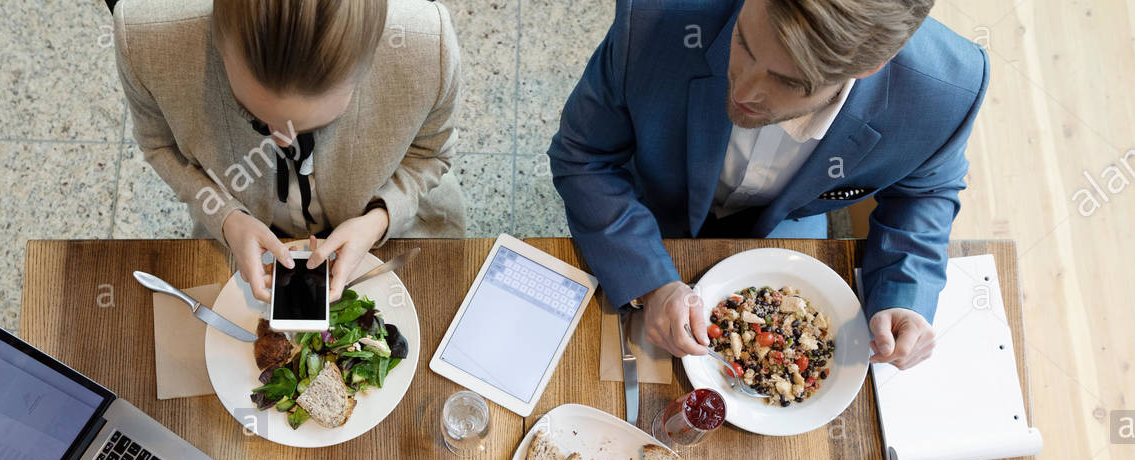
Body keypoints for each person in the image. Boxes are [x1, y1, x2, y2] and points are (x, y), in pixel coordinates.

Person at [548, 0, 990, 368]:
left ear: (871, 66)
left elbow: (925, 189)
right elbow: (584, 155)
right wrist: (648, 281)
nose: (743, 89)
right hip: (647, 202)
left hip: (788, 228)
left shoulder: (947, 93)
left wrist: (904, 291)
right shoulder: (654, 13)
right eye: (743, 40)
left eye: (788, 82)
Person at [113, 0, 464, 303]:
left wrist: (378, 221)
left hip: (404, 231)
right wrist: (227, 218)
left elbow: (430, 154)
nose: (282, 142)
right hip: (241, 232)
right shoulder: (145, 41)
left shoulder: (427, 48)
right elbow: (161, 146)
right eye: (256, 117)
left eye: (313, 127)